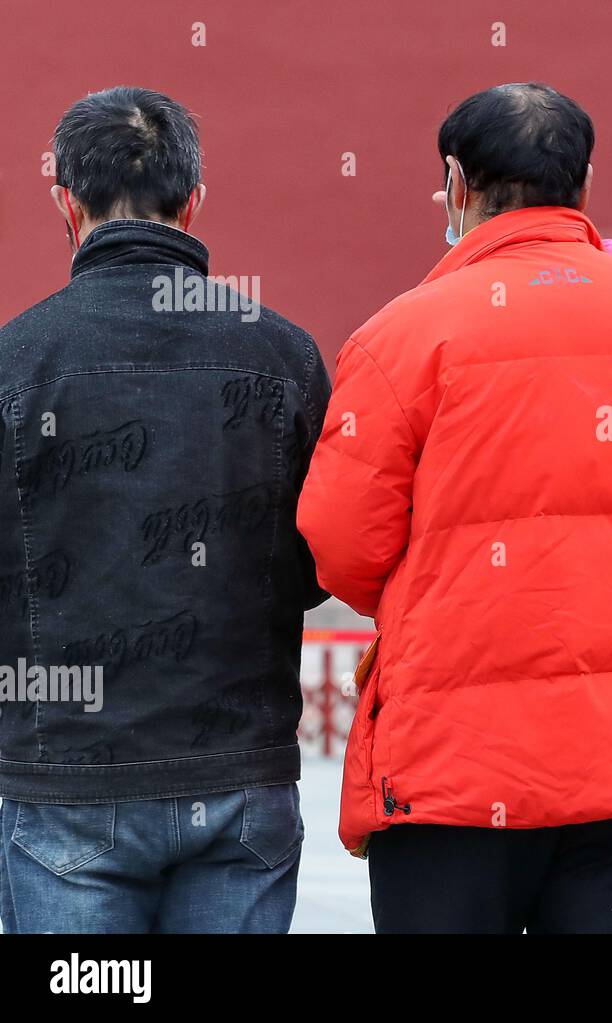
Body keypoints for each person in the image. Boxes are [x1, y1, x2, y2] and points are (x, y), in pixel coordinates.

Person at [297, 82, 612, 934]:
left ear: (457, 184)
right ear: (587, 184)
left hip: (456, 764)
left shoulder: (400, 336)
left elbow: (340, 544)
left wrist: (446, 591)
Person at [0, 87, 329, 934]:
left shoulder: (15, 360)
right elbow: (326, 553)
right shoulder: (284, 352)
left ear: (65, 205)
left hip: (67, 783)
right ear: (192, 204)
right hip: (241, 778)